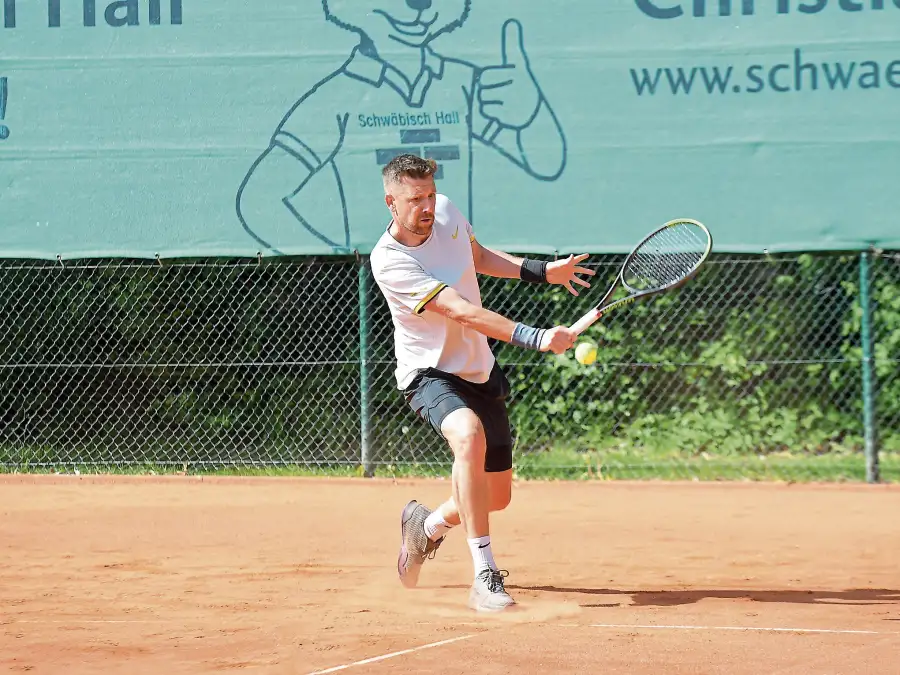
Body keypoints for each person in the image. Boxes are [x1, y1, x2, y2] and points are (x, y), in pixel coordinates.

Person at [370, 153, 594, 613]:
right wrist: (535, 337)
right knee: (466, 435)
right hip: (429, 372)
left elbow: (475, 255)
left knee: (496, 496)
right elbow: (460, 309)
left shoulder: (447, 211)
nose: (427, 205)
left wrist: (539, 271)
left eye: (430, 194)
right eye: (415, 199)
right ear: (391, 202)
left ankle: (425, 527)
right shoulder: (389, 260)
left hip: (478, 367)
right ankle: (484, 575)